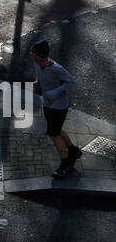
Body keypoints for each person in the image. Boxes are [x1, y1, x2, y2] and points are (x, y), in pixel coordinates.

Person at [30, 40, 80, 178]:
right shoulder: (37, 64)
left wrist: (54, 93)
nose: (30, 54)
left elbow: (70, 81)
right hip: (47, 104)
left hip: (59, 106)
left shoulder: (57, 69)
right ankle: (73, 150)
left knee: (53, 133)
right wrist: (36, 84)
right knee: (56, 129)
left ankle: (66, 162)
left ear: (39, 55)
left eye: (32, 52)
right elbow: (39, 77)